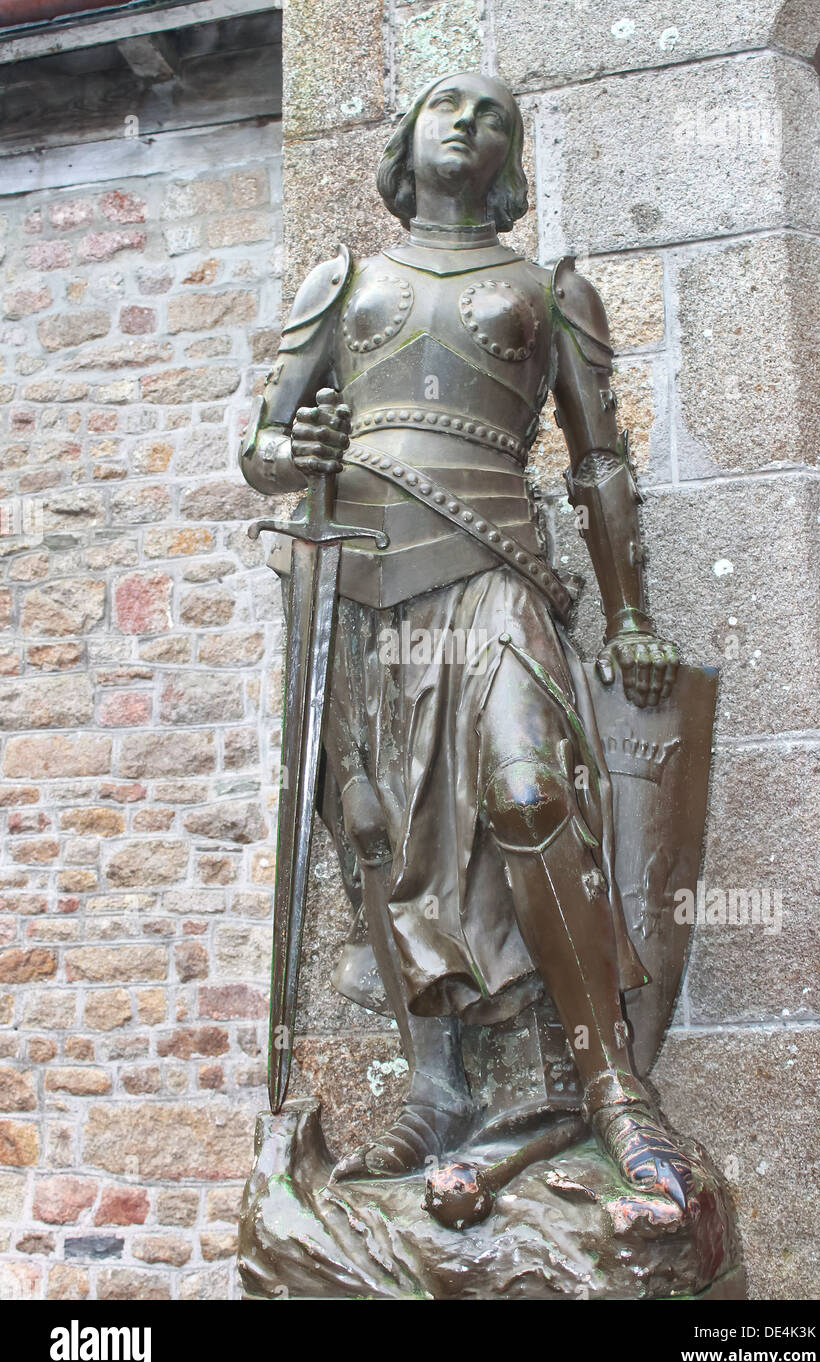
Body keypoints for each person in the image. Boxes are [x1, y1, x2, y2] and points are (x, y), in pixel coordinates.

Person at [240, 71, 694, 1208]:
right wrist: (294, 453)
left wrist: (628, 611)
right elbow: (261, 445)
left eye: (493, 113)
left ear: (513, 152)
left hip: (492, 569)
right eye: (445, 104)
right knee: (382, 838)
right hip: (361, 583)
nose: (465, 123)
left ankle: (612, 1089)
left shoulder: (548, 287)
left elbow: (597, 462)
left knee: (532, 793)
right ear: (404, 134)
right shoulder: (341, 280)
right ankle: (433, 1088)